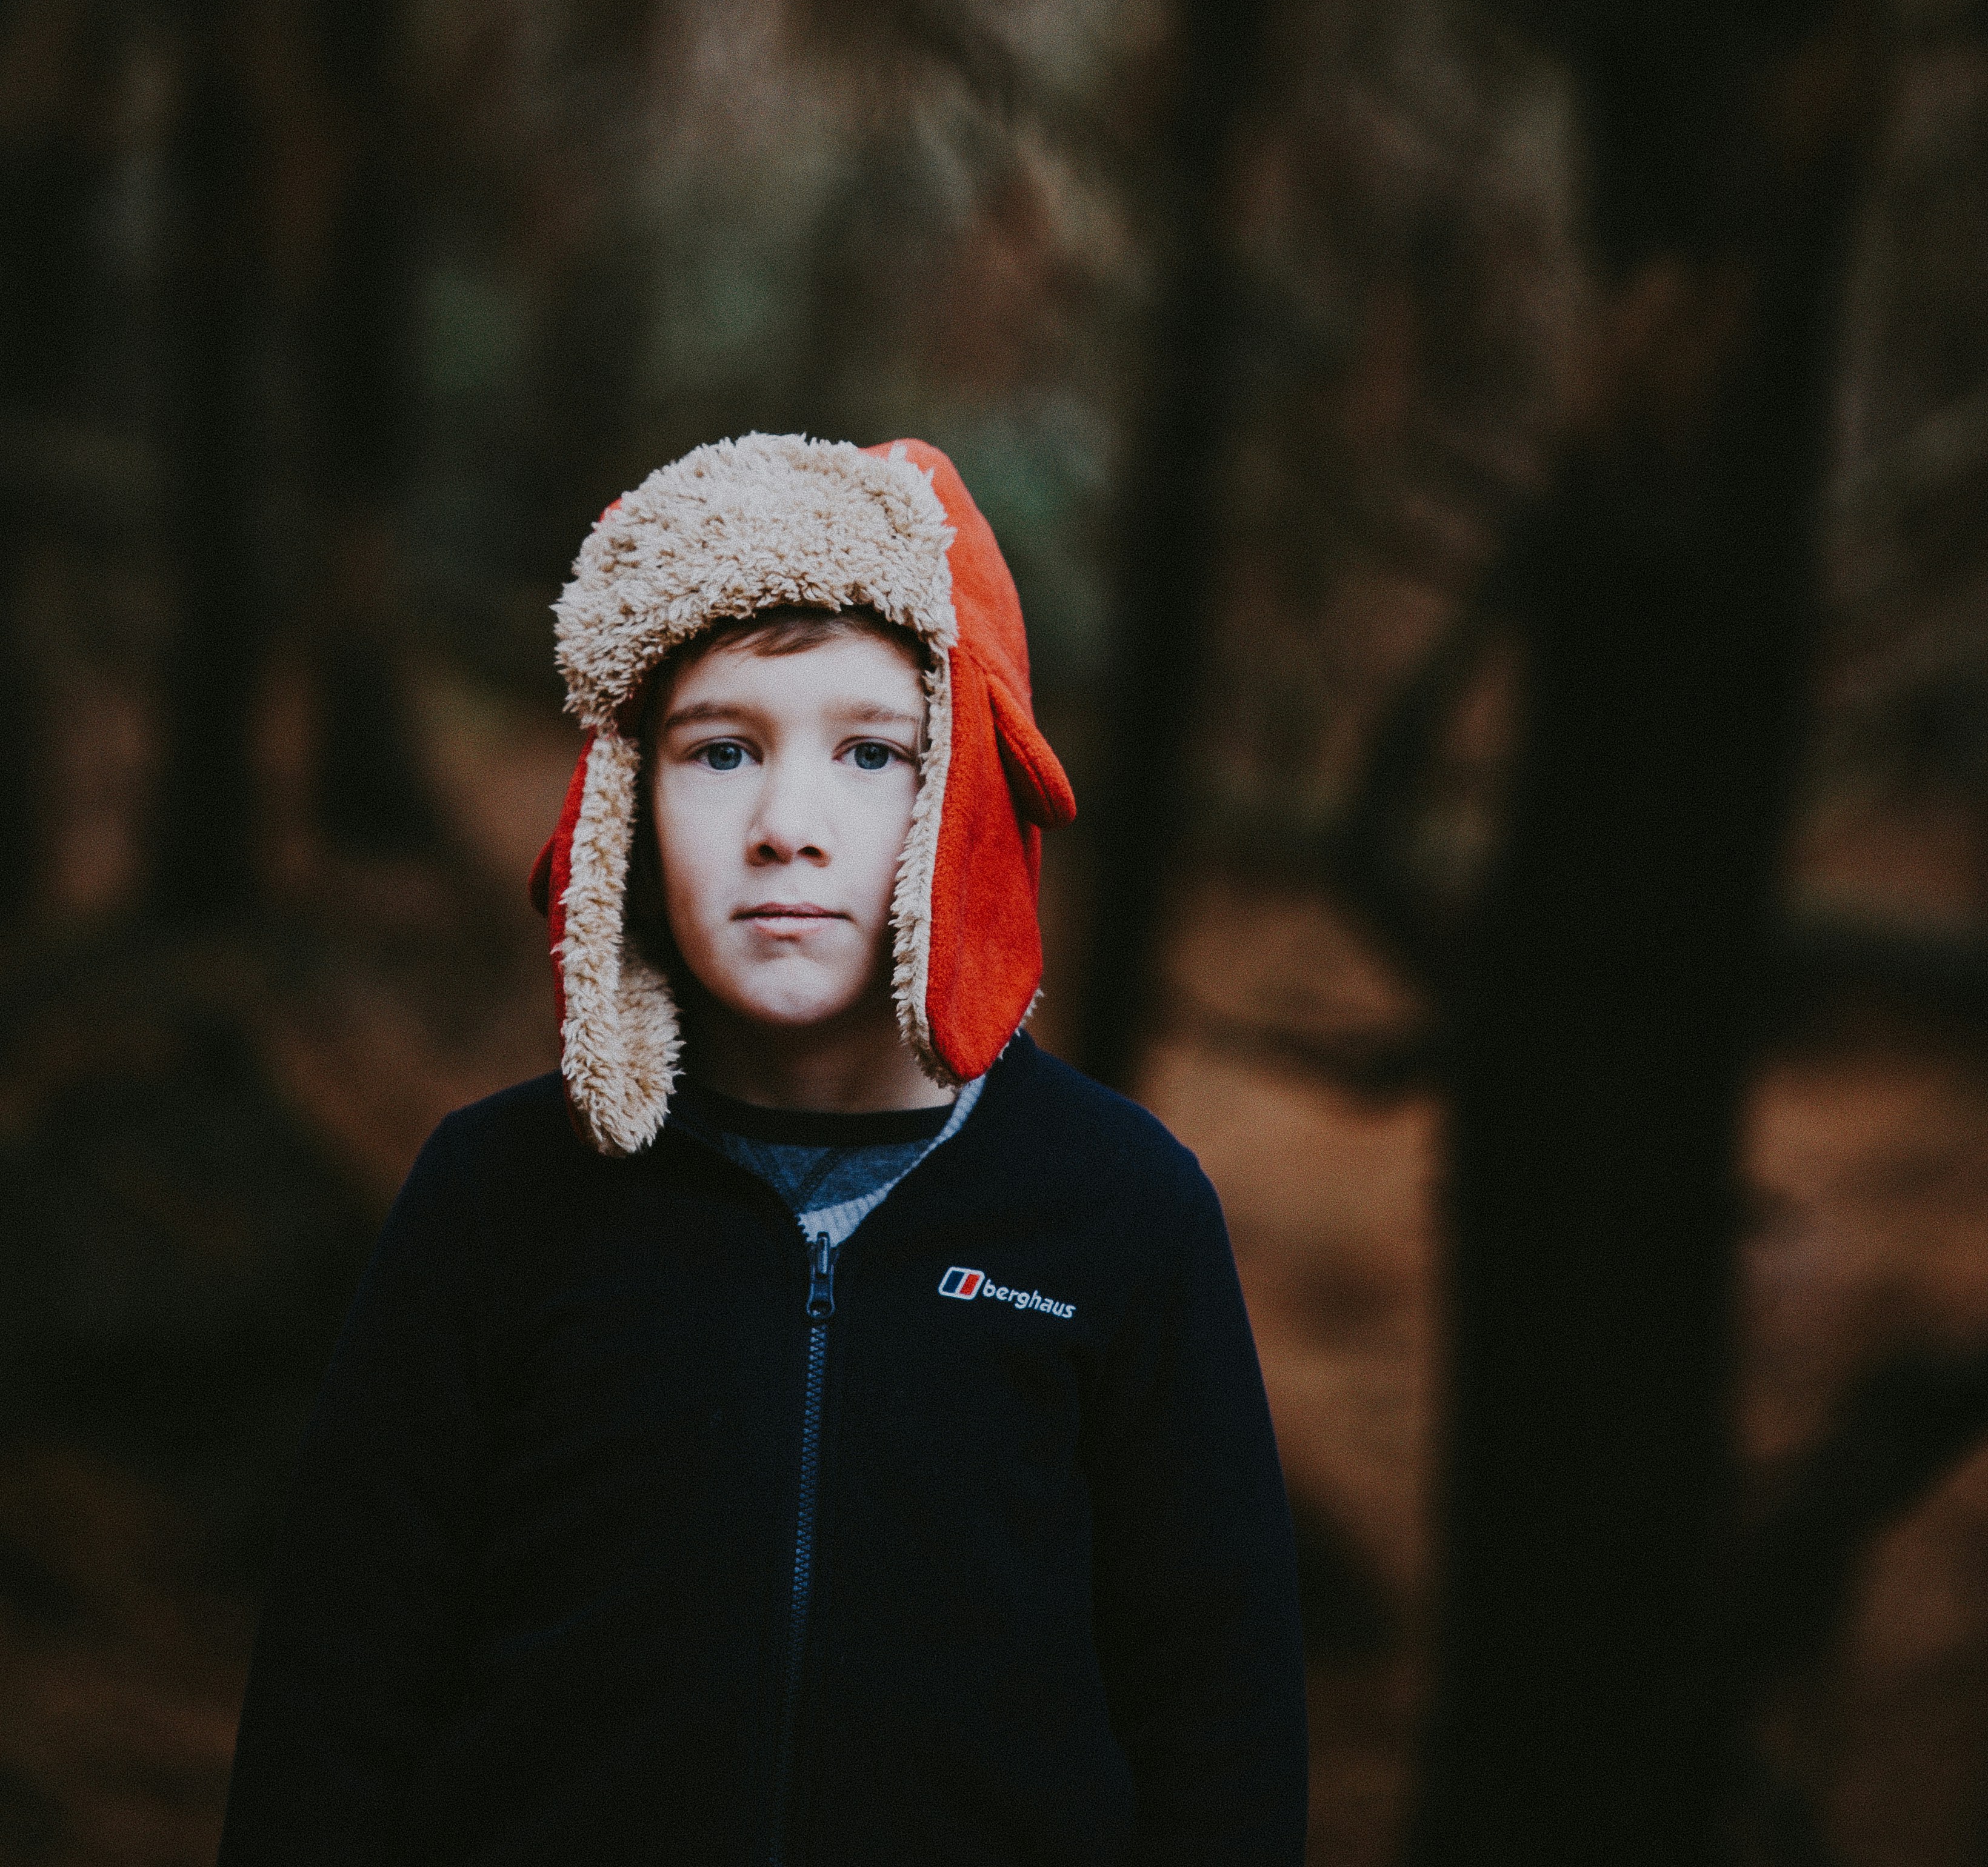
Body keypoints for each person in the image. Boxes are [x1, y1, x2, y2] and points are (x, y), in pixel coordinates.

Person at [216, 432, 1309, 1866]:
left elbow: (1216, 1731)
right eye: (721, 750)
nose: (787, 826)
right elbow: (334, 1699)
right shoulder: (497, 1200)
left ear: (965, 796)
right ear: (623, 802)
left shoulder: (1118, 1212)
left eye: (871, 754)